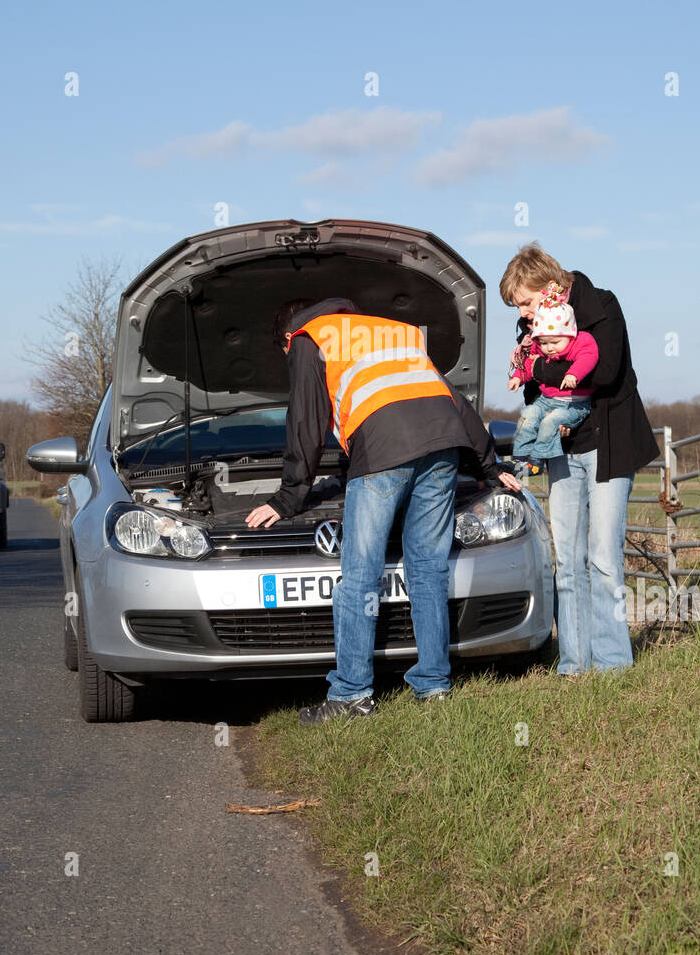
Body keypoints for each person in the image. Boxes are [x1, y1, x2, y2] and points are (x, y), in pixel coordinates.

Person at [245, 296, 522, 724]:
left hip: (383, 450)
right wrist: (489, 465)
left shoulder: (308, 337)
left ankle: (352, 695)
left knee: (360, 575)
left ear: (286, 337)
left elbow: (306, 421)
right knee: (428, 569)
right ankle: (433, 687)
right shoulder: (391, 330)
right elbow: (452, 400)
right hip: (442, 447)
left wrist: (288, 498)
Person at [500, 246, 658, 675]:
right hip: (562, 451)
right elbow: (532, 388)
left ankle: (612, 666)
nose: (527, 316)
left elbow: (605, 372)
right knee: (567, 561)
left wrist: (540, 372)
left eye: (528, 303)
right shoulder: (531, 329)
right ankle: (573, 664)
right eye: (520, 309)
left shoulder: (601, 305)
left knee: (604, 559)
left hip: (609, 446)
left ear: (550, 287)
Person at [508, 283, 598, 465]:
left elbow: (589, 357)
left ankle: (538, 458)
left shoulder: (581, 342)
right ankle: (521, 454)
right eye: (543, 343)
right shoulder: (541, 345)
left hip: (574, 404)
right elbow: (529, 361)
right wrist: (518, 376)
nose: (548, 348)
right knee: (528, 414)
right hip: (546, 399)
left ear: (569, 334)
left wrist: (574, 374)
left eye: (554, 342)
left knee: (551, 422)